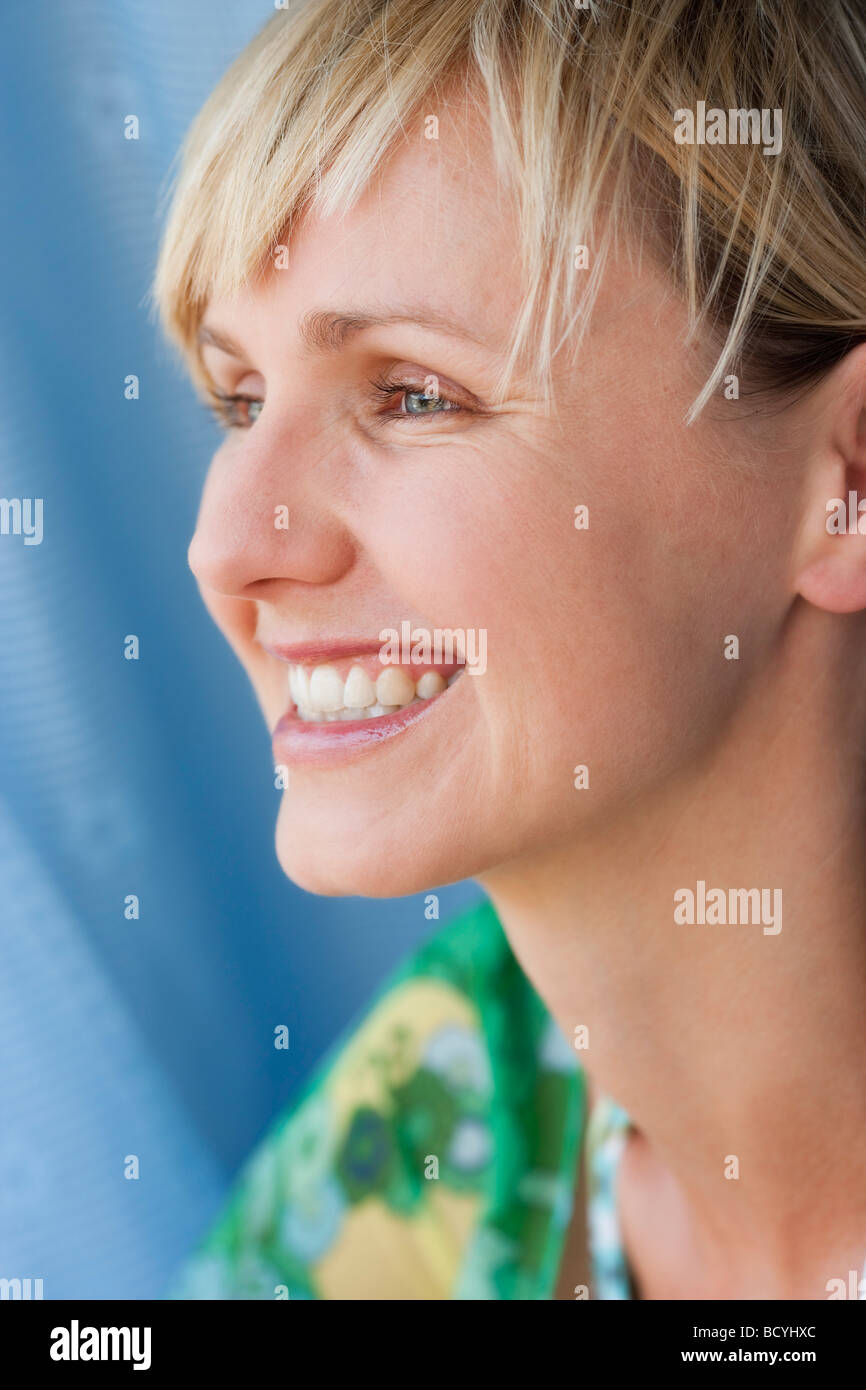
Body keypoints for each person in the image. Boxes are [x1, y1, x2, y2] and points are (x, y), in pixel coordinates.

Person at [153, 0, 866, 1299]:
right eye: (239, 400)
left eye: (413, 393)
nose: (226, 548)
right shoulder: (446, 1096)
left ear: (849, 478)